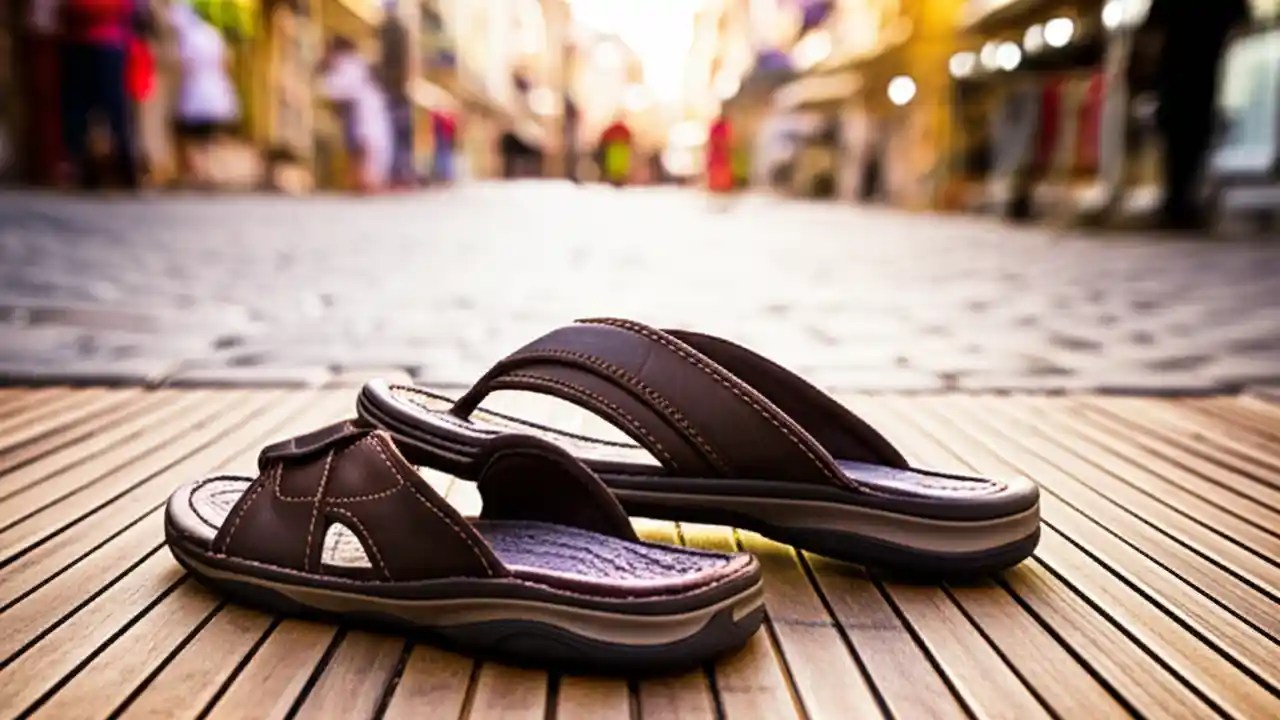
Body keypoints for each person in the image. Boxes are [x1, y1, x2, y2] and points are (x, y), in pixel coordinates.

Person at [1140, 0, 1250, 229]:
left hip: (1179, 69)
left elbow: (1154, 30)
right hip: (1201, 67)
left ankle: (1178, 197)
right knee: (1194, 131)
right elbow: (1241, 26)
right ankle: (1183, 197)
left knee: (1179, 132)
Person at [59, 0, 147, 188]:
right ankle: (87, 164)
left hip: (106, 42)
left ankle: (121, 166)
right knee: (86, 108)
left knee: (111, 108)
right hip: (91, 41)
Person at [169, 2, 239, 187]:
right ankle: (210, 173)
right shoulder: (213, 33)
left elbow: (184, 64)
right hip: (217, 91)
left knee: (193, 136)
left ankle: (199, 174)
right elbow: (226, 61)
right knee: (210, 136)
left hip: (196, 93)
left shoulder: (188, 37)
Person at [321, 37, 391, 192]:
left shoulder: (349, 65)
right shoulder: (356, 65)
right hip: (361, 116)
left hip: (360, 116)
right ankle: (361, 180)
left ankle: (362, 181)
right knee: (362, 148)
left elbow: (336, 89)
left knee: (361, 148)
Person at [377, 1, 414, 187]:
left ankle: (397, 173)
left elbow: (385, 58)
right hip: (399, 88)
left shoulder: (386, 29)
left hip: (392, 88)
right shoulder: (401, 29)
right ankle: (401, 173)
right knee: (401, 135)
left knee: (393, 134)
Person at [599, 117, 632, 187]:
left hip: (617, 148)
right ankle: (616, 179)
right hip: (617, 148)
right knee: (616, 166)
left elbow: (605, 137)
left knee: (616, 166)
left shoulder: (617, 128)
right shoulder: (621, 128)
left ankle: (617, 179)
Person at [707, 114, 733, 193]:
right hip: (717, 155)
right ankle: (717, 185)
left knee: (721, 170)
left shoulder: (724, 127)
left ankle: (722, 185)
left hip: (721, 155)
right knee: (717, 170)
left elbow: (728, 139)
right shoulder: (717, 127)